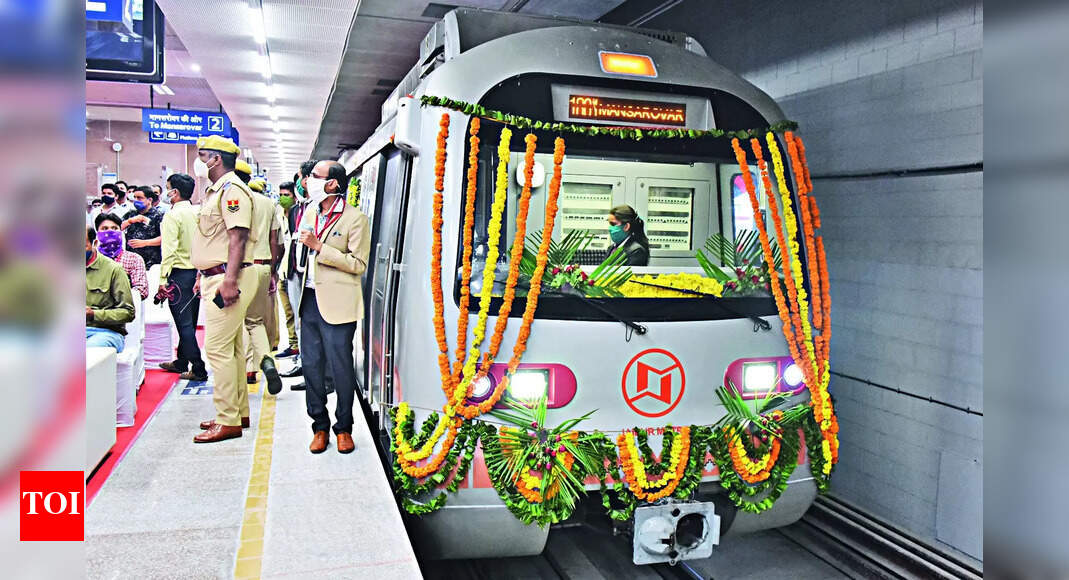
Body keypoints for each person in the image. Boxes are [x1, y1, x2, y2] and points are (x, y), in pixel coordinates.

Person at [296, 160, 370, 454]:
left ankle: (344, 428)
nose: (308, 181)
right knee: (311, 366)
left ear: (333, 184)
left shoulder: (355, 219)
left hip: (338, 304)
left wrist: (319, 248)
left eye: (315, 177)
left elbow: (358, 264)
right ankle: (319, 426)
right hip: (310, 299)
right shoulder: (311, 213)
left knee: (340, 368)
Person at [190, 135, 257, 444]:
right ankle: (237, 412)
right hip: (217, 275)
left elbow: (237, 238)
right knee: (231, 348)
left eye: (202, 155)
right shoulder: (216, 191)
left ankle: (227, 418)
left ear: (215, 159)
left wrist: (228, 281)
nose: (199, 160)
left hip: (229, 278)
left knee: (216, 349)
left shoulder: (233, 192)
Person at [157, 173, 208, 381]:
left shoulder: (172, 216)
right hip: (195, 274)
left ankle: (198, 367)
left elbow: (168, 250)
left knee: (183, 324)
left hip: (178, 275)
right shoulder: (197, 214)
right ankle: (180, 361)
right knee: (189, 320)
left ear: (174, 193)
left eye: (167, 187)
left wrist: (162, 279)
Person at [242, 175, 284, 395]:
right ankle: (266, 360)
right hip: (263, 266)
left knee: (239, 323)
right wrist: (273, 270)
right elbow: (274, 240)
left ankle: (247, 369)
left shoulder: (234, 199)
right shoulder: (269, 204)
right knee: (256, 321)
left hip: (240, 268)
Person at [86, 226, 135, 351]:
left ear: (94, 243)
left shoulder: (113, 270)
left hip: (104, 332)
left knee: (89, 351)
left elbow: (128, 312)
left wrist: (93, 314)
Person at [94, 213, 149, 301]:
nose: (110, 232)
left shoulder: (133, 259)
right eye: (105, 229)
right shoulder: (90, 259)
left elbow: (141, 290)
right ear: (97, 233)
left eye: (114, 228)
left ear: (120, 232)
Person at [274, 181, 300, 357]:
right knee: (287, 311)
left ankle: (298, 345)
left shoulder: (298, 214)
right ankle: (293, 343)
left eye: (287, 195)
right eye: (281, 195)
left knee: (296, 311)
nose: (283, 198)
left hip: (293, 269)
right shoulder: (278, 214)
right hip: (281, 269)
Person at [122, 185, 164, 268]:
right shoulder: (130, 214)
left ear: (149, 200)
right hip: (131, 261)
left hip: (151, 262)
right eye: (135, 197)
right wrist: (130, 221)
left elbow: (165, 238)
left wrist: (145, 243)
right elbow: (118, 227)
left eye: (139, 198)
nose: (136, 200)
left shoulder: (159, 215)